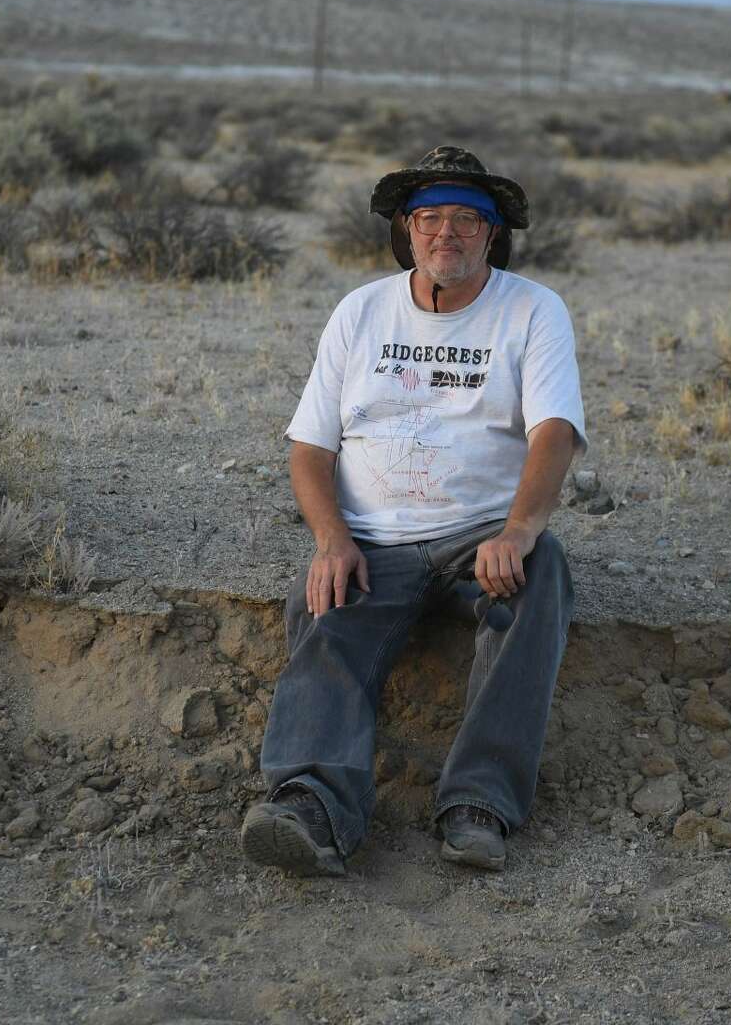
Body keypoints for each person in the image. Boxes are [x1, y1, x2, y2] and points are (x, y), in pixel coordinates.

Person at [241, 145, 585, 876]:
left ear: (493, 232)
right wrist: (331, 538)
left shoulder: (533, 310)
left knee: (543, 572)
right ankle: (312, 805)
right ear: (407, 229)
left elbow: (554, 432)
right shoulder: (361, 311)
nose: (446, 232)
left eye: (467, 218)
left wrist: (519, 531)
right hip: (375, 541)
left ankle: (478, 803)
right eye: (429, 217)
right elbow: (310, 448)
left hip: (480, 541)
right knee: (324, 605)